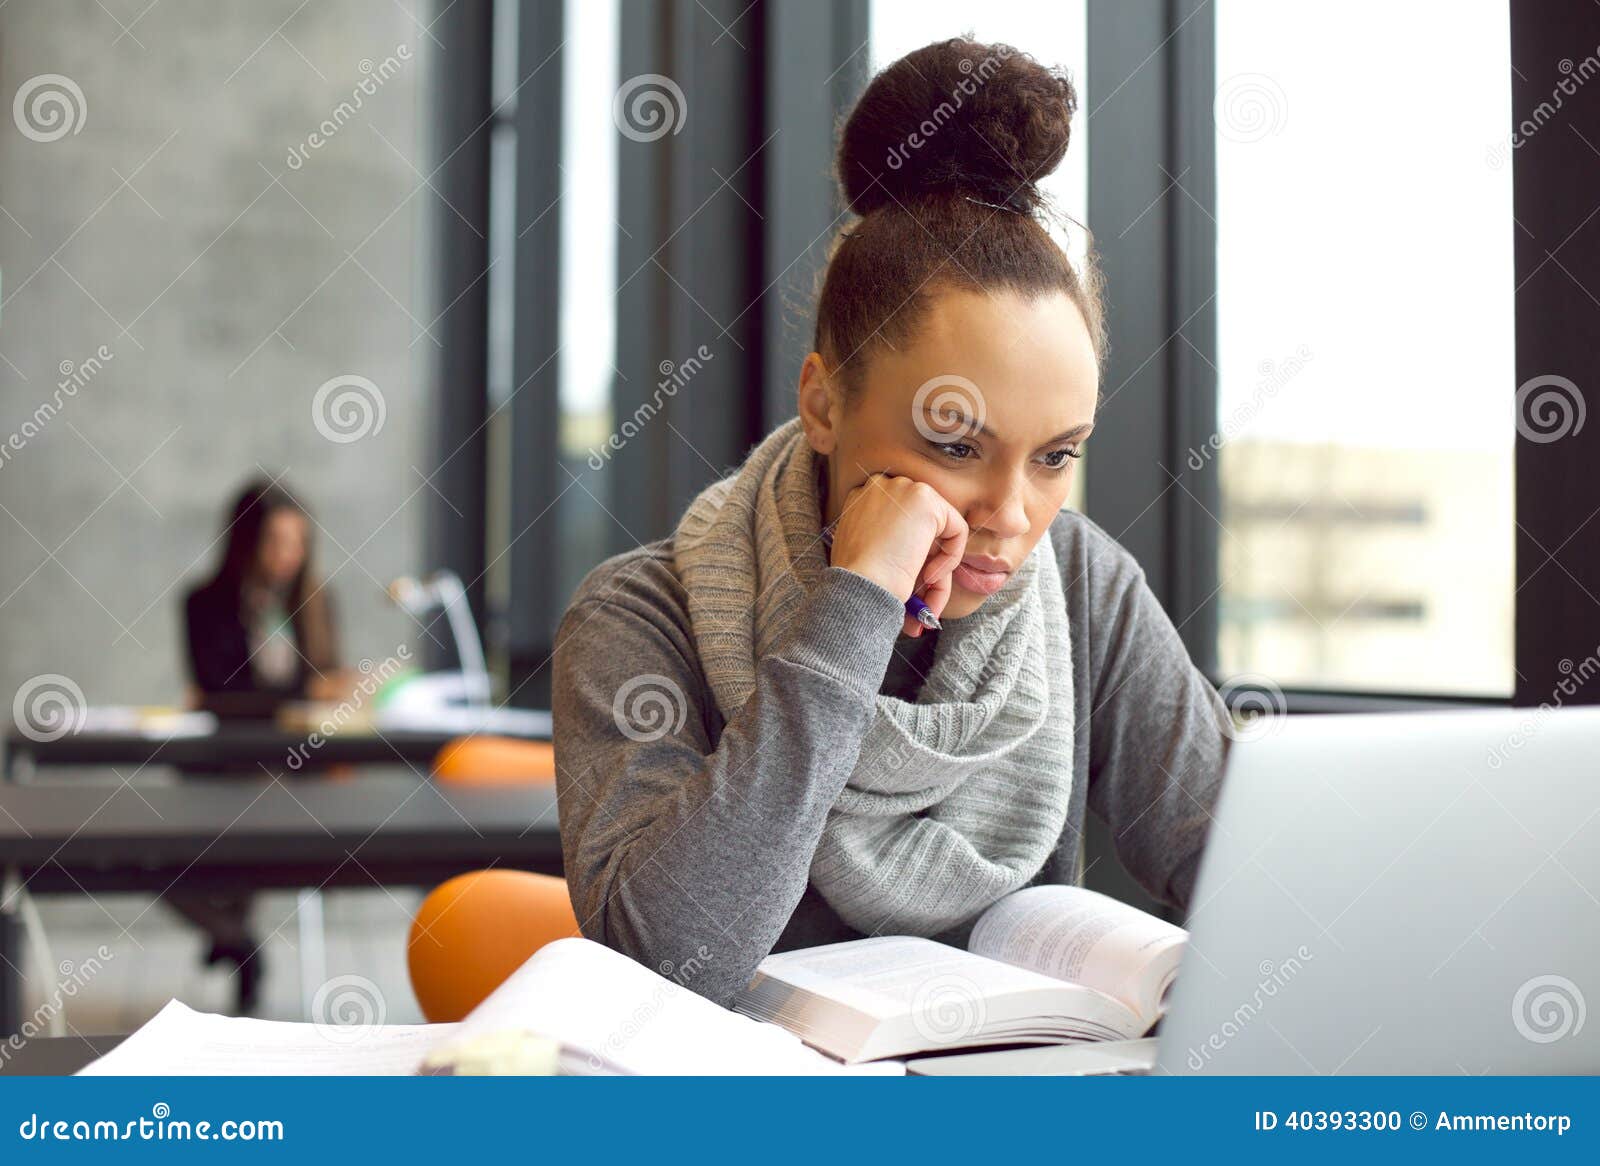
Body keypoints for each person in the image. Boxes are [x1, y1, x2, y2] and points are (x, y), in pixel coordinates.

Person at [552, 38, 1232, 1007]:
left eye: (1054, 456)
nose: (1009, 515)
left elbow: (1245, 871)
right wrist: (855, 603)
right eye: (955, 444)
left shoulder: (1082, 581)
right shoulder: (638, 615)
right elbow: (674, 963)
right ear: (824, 404)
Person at [176, 478, 348, 1012]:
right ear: (245, 542)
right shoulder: (204, 604)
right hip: (224, 765)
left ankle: (230, 933)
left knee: (251, 818)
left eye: (298, 542)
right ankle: (236, 937)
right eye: (276, 541)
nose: (288, 556)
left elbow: (327, 686)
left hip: (301, 770)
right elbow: (218, 692)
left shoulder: (317, 601)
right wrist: (300, 692)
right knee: (151, 852)